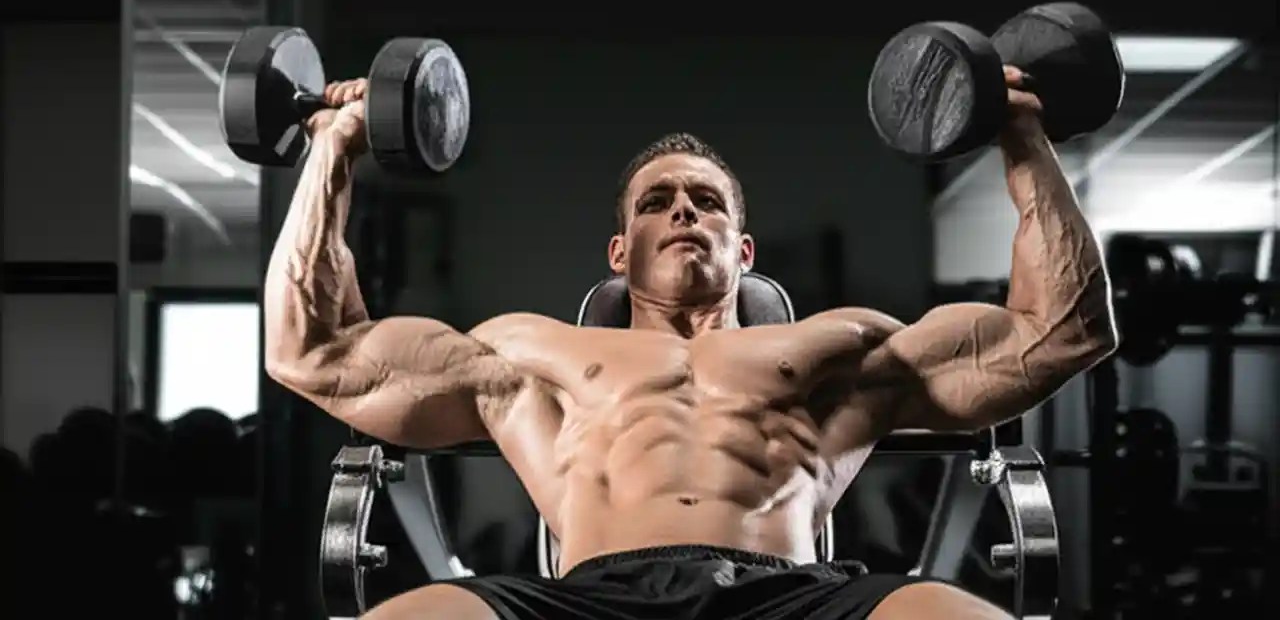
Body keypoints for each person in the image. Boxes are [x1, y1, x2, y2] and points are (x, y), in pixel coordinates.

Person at [265, 68, 1117, 620]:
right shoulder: (530, 355)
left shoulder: (841, 349)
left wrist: (1022, 136)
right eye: (657, 201)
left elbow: (1059, 333)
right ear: (619, 251)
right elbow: (314, 352)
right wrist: (332, 149)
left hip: (793, 596)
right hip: (587, 599)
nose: (682, 209)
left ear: (744, 252)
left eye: (706, 202)